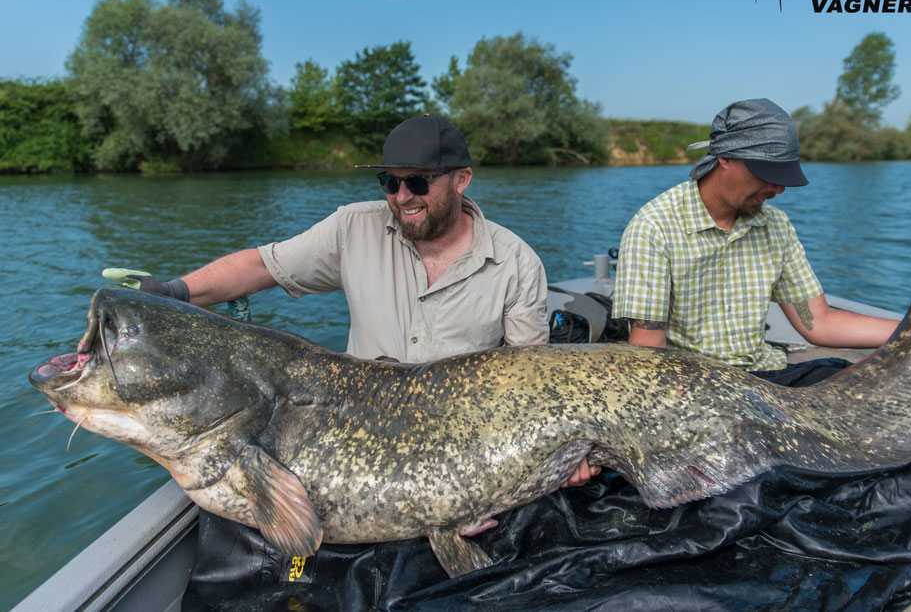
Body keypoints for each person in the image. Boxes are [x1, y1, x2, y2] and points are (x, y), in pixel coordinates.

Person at [115, 114, 596, 484]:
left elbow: (532, 383)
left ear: (461, 179)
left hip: (466, 440)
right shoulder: (353, 228)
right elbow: (260, 266)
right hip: (359, 434)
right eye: (390, 182)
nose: (402, 196)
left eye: (418, 183)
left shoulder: (517, 263)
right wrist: (173, 293)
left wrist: (564, 454)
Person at [612, 98, 900, 385]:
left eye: (783, 175)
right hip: (695, 385)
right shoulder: (653, 228)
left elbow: (820, 323)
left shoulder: (775, 225)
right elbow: (648, 352)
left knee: (854, 381)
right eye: (768, 173)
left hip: (764, 379)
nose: (779, 188)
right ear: (725, 157)